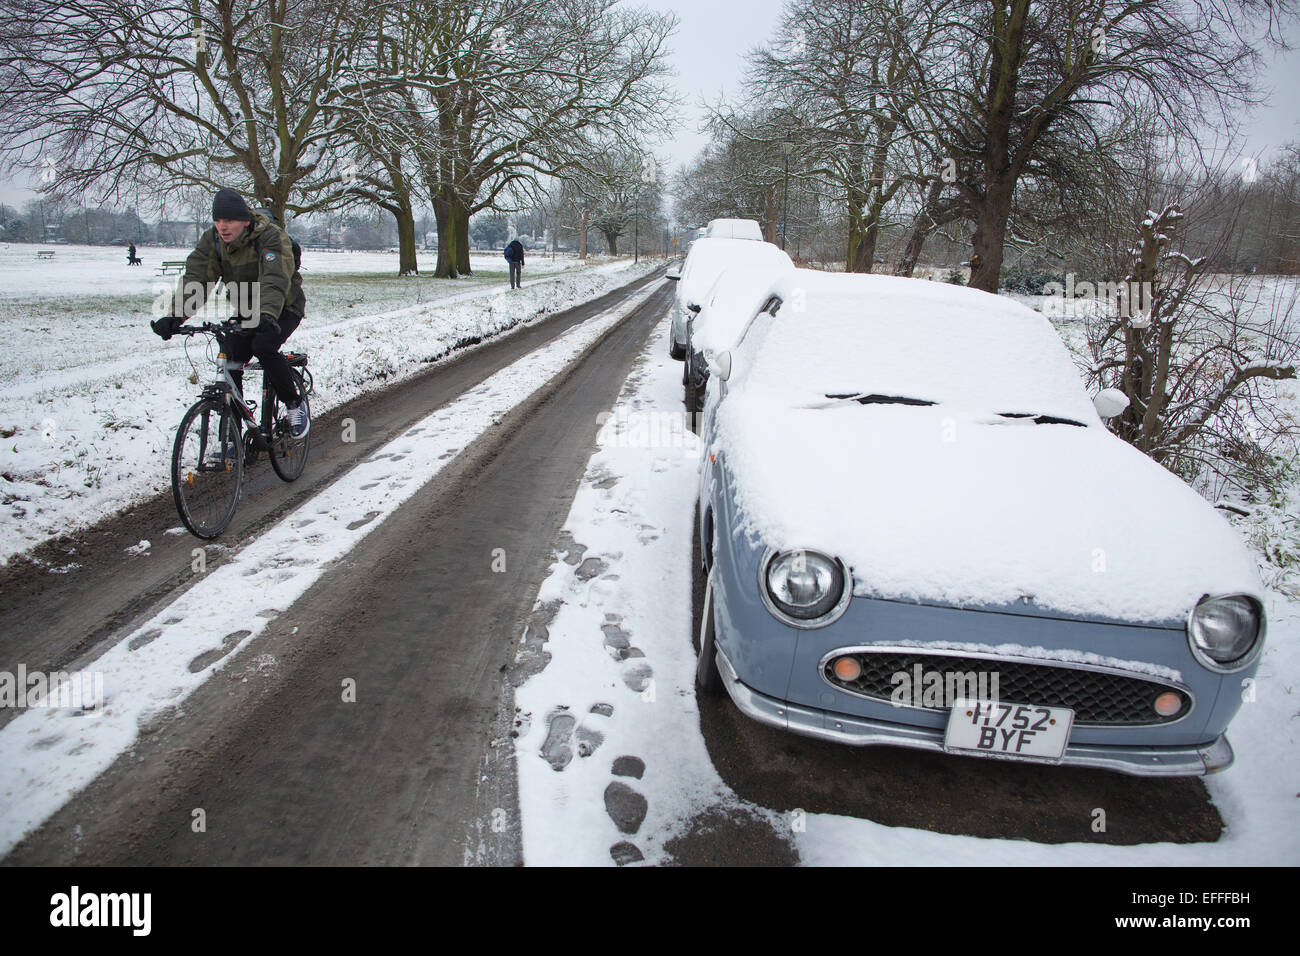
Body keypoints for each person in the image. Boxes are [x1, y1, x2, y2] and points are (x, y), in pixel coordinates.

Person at [151, 188, 310, 437]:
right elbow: (198, 279)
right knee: (231, 355)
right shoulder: (213, 241)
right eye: (218, 220)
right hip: (247, 310)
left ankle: (294, 404)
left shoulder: (269, 237)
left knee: (263, 345)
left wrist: (267, 313)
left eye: (230, 220)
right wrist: (175, 316)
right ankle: (233, 436)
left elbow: (275, 278)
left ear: (245, 220)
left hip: (284, 306)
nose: (223, 227)